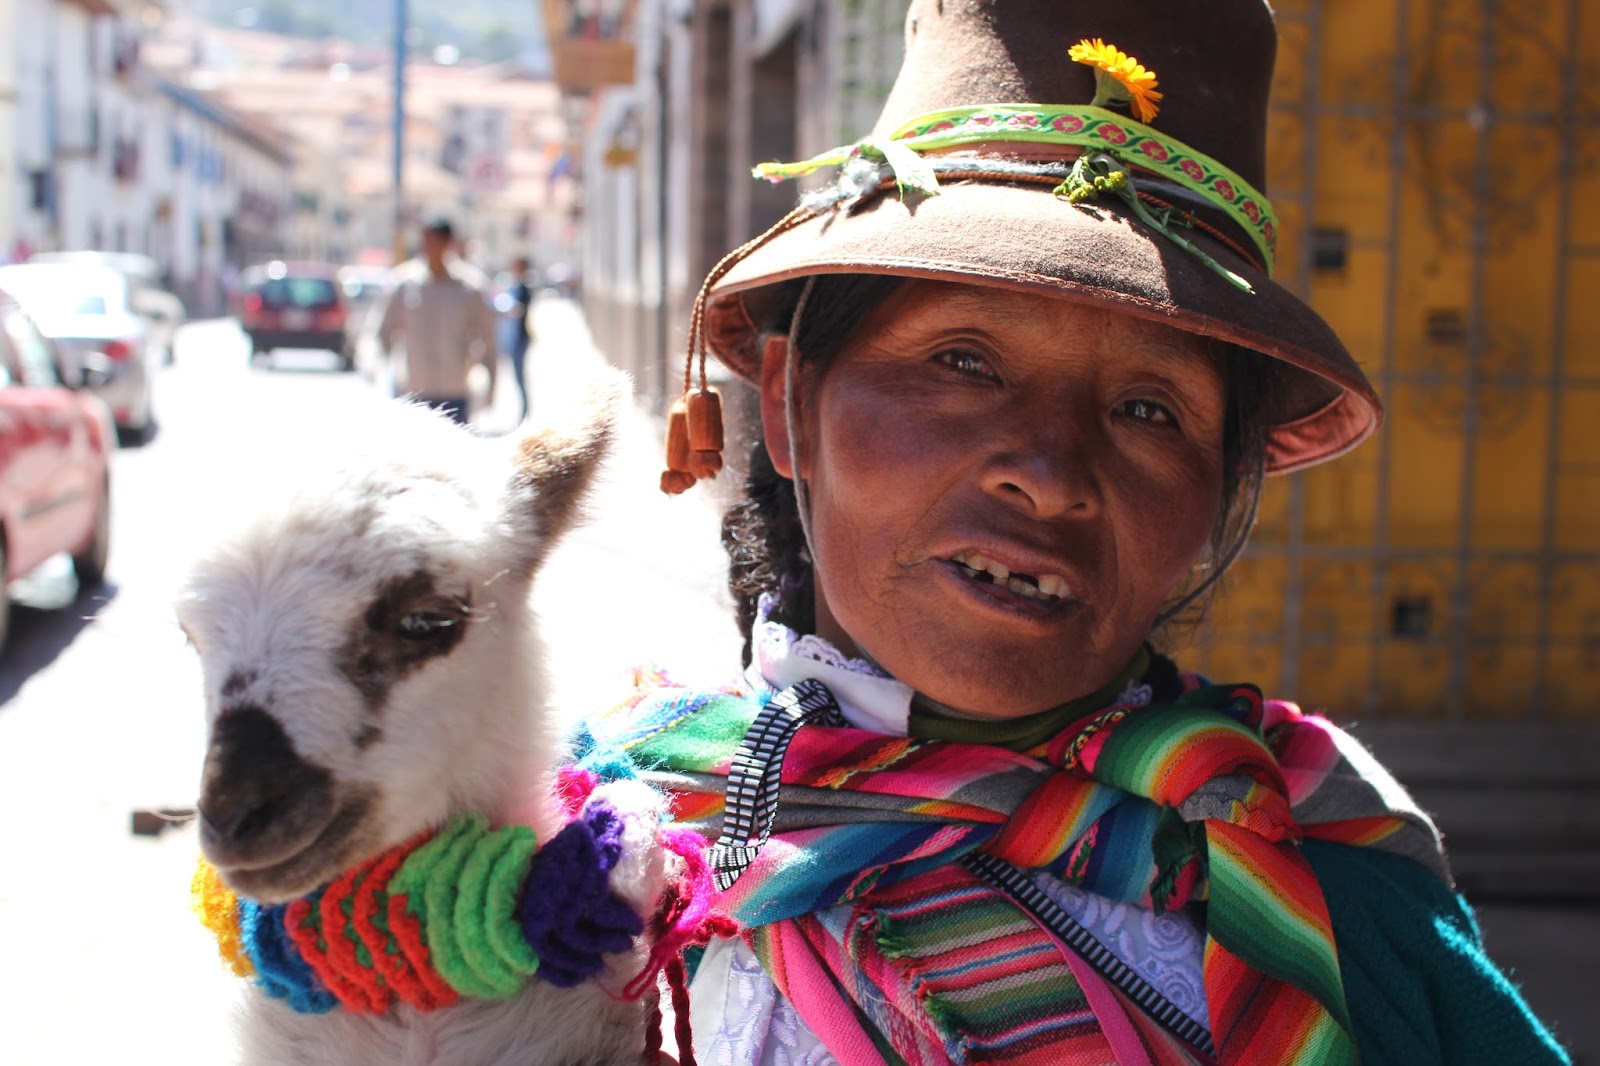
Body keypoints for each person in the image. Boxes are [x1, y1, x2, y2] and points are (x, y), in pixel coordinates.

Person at [578, 2, 1572, 1064]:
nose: (1050, 476)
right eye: (963, 361)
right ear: (788, 402)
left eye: (1150, 410)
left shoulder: (1331, 881)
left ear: (1217, 489)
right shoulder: (584, 868)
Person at [377, 216, 499, 425]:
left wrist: (491, 387)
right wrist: (385, 379)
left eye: (436, 241)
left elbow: (488, 340)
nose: (431, 247)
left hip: (455, 391)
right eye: (427, 241)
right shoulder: (405, 283)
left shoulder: (469, 287)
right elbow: (383, 333)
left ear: (448, 243)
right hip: (414, 392)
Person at [502, 254, 536, 422]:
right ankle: (524, 411)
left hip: (520, 338)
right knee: (517, 376)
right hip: (517, 337)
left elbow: (520, 311)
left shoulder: (523, 288)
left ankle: (525, 412)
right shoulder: (516, 286)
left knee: (519, 377)